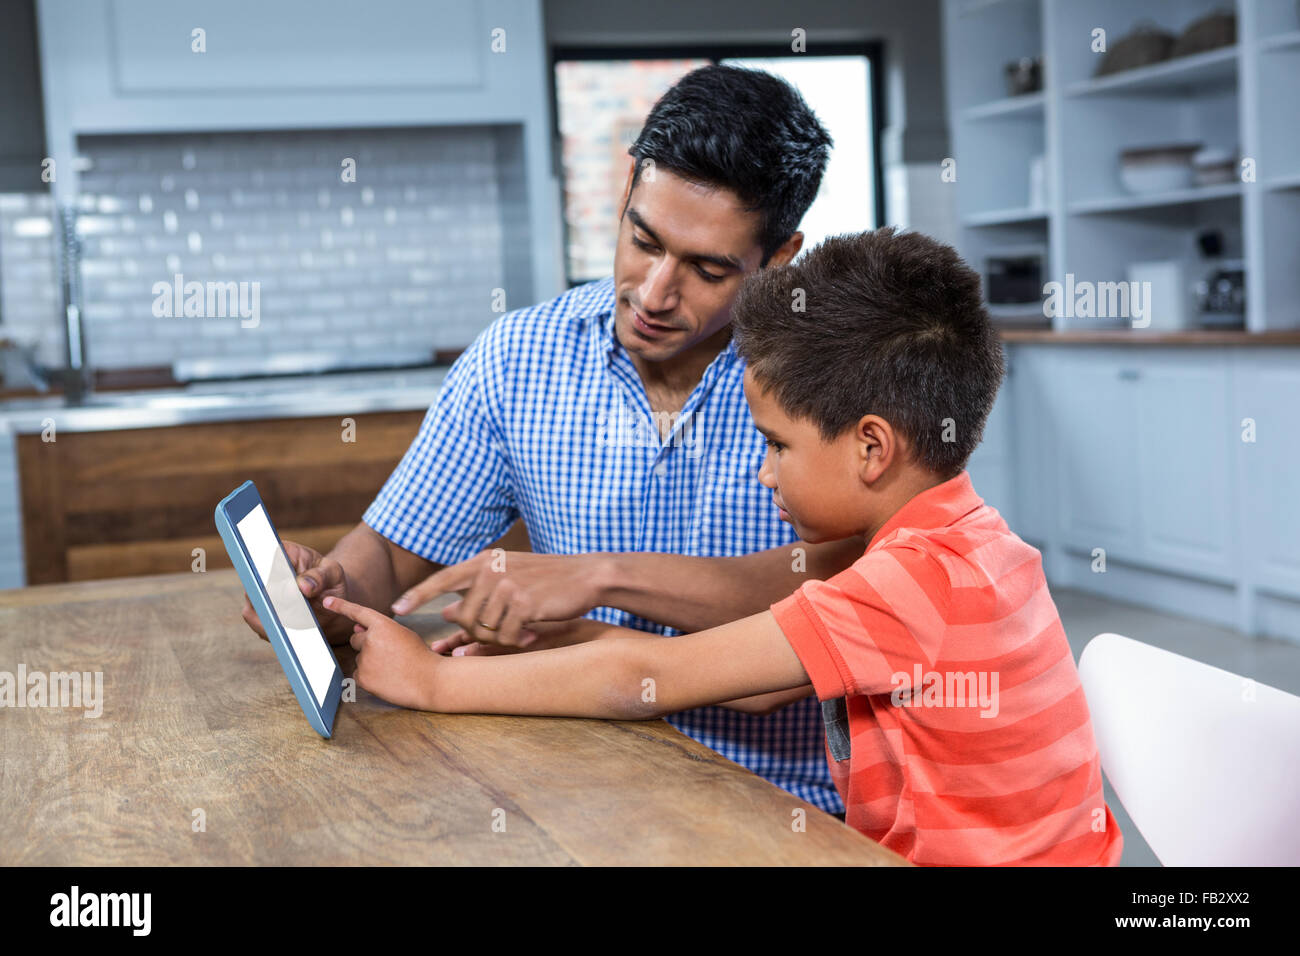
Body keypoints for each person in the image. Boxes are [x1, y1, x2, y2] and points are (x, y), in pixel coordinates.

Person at [322, 227, 1126, 867]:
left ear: (872, 449)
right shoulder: (968, 541)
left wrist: (425, 680)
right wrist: (575, 633)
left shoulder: (906, 581)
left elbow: (651, 679)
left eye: (775, 445)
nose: (764, 473)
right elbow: (755, 687)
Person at [241, 64, 857, 815]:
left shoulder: (825, 388)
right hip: (571, 779)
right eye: (644, 240)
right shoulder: (518, 357)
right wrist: (330, 589)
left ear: (780, 259)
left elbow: (818, 619)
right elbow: (398, 552)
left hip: (779, 807)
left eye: (706, 269)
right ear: (627, 185)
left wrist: (594, 578)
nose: (656, 292)